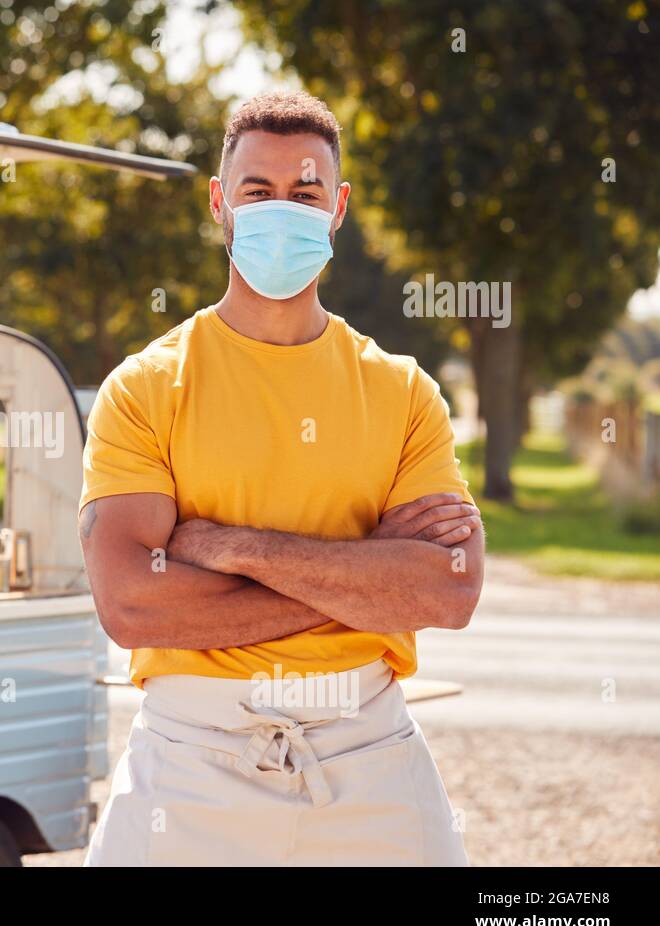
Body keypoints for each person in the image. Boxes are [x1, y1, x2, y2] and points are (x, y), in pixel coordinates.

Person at [79, 90, 482, 866]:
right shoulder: (146, 386)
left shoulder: (401, 391)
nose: (281, 211)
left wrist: (232, 548)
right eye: (257, 191)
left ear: (339, 208)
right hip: (189, 765)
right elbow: (130, 604)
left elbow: (450, 589)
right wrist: (363, 575)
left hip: (370, 763)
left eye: (305, 192)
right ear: (219, 201)